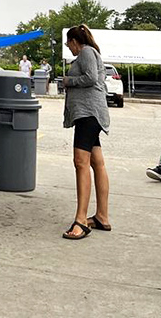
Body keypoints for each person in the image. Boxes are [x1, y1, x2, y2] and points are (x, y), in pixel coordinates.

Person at [62, 24, 111, 239]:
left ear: (74, 41)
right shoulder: (89, 53)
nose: (69, 48)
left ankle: (81, 221)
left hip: (88, 115)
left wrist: (68, 80)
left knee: (80, 163)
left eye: (68, 44)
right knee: (96, 163)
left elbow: (91, 78)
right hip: (91, 114)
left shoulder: (86, 52)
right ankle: (102, 216)